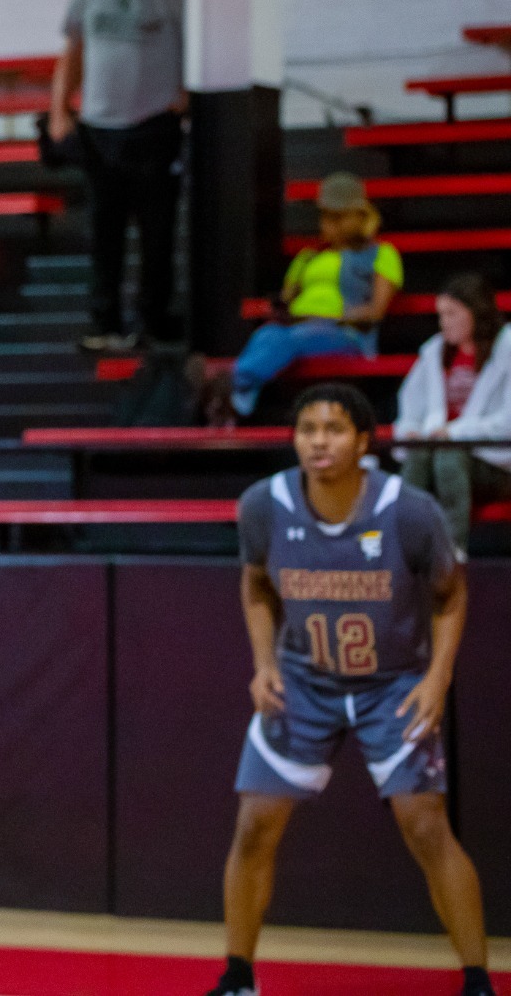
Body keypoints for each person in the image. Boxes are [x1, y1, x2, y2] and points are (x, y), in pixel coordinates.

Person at [207, 383, 494, 996]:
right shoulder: (264, 504)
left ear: (363, 442)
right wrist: (262, 663)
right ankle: (237, 978)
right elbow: (255, 582)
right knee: (255, 823)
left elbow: (452, 594)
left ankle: (477, 979)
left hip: (393, 683)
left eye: (334, 429)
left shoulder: (409, 510)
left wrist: (438, 679)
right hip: (304, 681)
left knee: (425, 825)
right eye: (307, 429)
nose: (319, 442)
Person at [48, 0, 186, 352]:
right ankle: (105, 323)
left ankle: (155, 322)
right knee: (104, 232)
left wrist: (185, 94)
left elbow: (197, 46)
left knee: (157, 231)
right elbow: (72, 51)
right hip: (99, 127)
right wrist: (59, 109)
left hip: (152, 126)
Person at [215, 173, 402, 422]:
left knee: (295, 338)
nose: (327, 224)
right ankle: (240, 396)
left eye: (336, 217)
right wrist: (282, 308)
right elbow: (287, 299)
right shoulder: (307, 258)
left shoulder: (382, 254)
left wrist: (331, 317)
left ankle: (230, 384)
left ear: (358, 218)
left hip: (345, 334)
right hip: (298, 327)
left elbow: (376, 311)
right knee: (267, 334)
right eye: (325, 216)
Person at [396, 274, 511, 554]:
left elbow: (508, 422)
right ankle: (403, 547)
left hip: (496, 461)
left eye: (451, 314)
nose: (443, 322)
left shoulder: (508, 348)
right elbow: (409, 409)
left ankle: (451, 552)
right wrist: (411, 431)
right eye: (440, 314)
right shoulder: (435, 351)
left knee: (448, 453)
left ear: (476, 312)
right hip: (440, 453)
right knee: (420, 453)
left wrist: (454, 432)